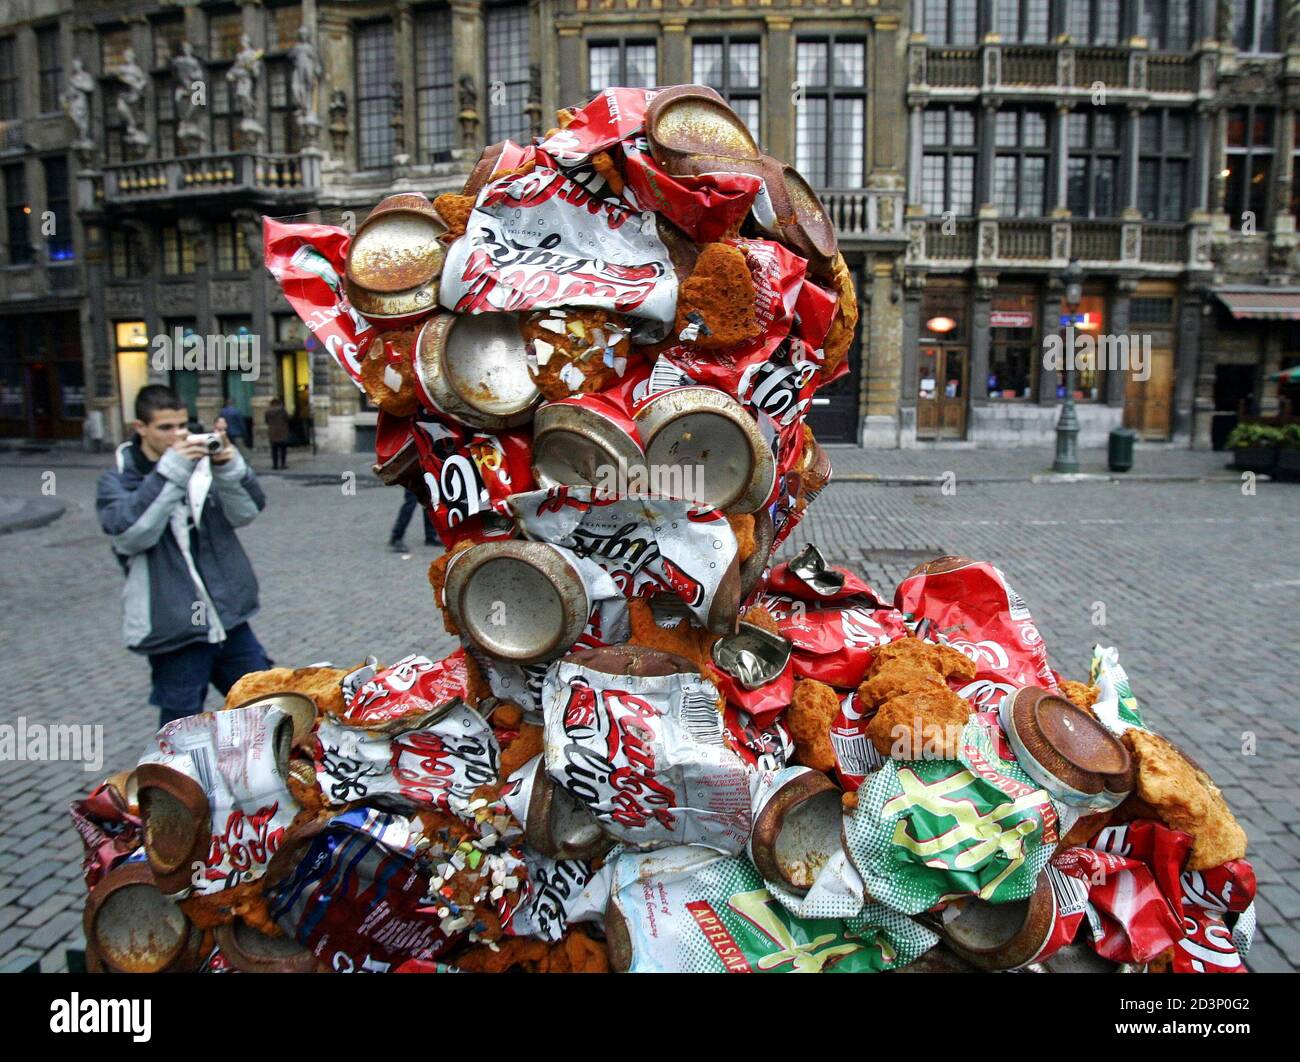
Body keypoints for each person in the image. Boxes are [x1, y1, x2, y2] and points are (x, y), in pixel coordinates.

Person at [96, 385, 272, 729]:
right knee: (181, 725)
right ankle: (177, 782)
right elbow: (131, 534)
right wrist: (173, 468)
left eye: (182, 426)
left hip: (228, 618)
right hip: (176, 627)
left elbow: (247, 512)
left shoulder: (201, 468)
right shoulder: (118, 481)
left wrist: (229, 467)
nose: (177, 435)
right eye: (165, 428)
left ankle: (267, 777)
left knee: (267, 707)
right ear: (140, 428)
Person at [265, 396, 290, 470]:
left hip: (272, 433)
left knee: (274, 450)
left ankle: (275, 465)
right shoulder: (282, 410)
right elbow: (287, 419)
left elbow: (266, 421)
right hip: (282, 433)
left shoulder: (268, 411)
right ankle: (283, 464)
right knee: (283, 450)